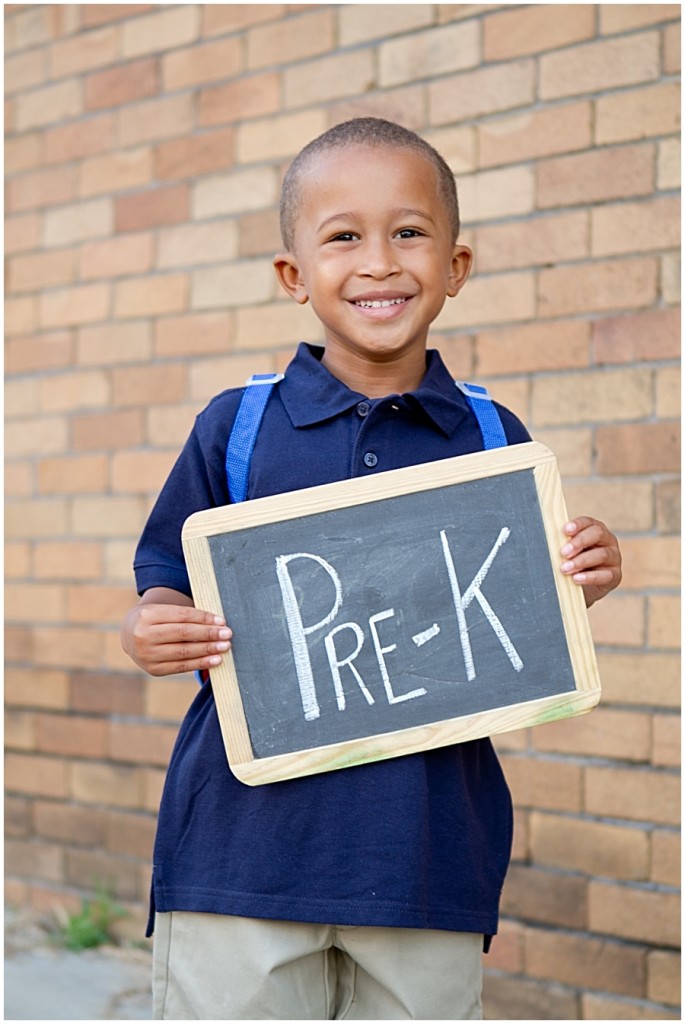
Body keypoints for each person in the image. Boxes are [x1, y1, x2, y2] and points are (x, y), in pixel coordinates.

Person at [121, 118, 622, 1020]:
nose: (380, 262)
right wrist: (154, 621)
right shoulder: (236, 427)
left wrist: (583, 569)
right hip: (242, 854)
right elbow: (164, 570)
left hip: (424, 857)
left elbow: (530, 595)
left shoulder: (490, 435)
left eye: (410, 232)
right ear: (293, 275)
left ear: (455, 267)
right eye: (343, 236)